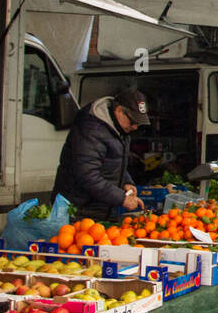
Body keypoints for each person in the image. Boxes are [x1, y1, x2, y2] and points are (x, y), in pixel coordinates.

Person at [52, 87, 149, 221]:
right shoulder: (91, 129)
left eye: (138, 123)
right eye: (133, 122)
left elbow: (113, 162)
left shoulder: (119, 129)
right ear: (119, 110)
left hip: (99, 208)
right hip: (78, 210)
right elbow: (87, 175)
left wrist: (125, 182)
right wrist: (121, 198)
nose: (135, 127)